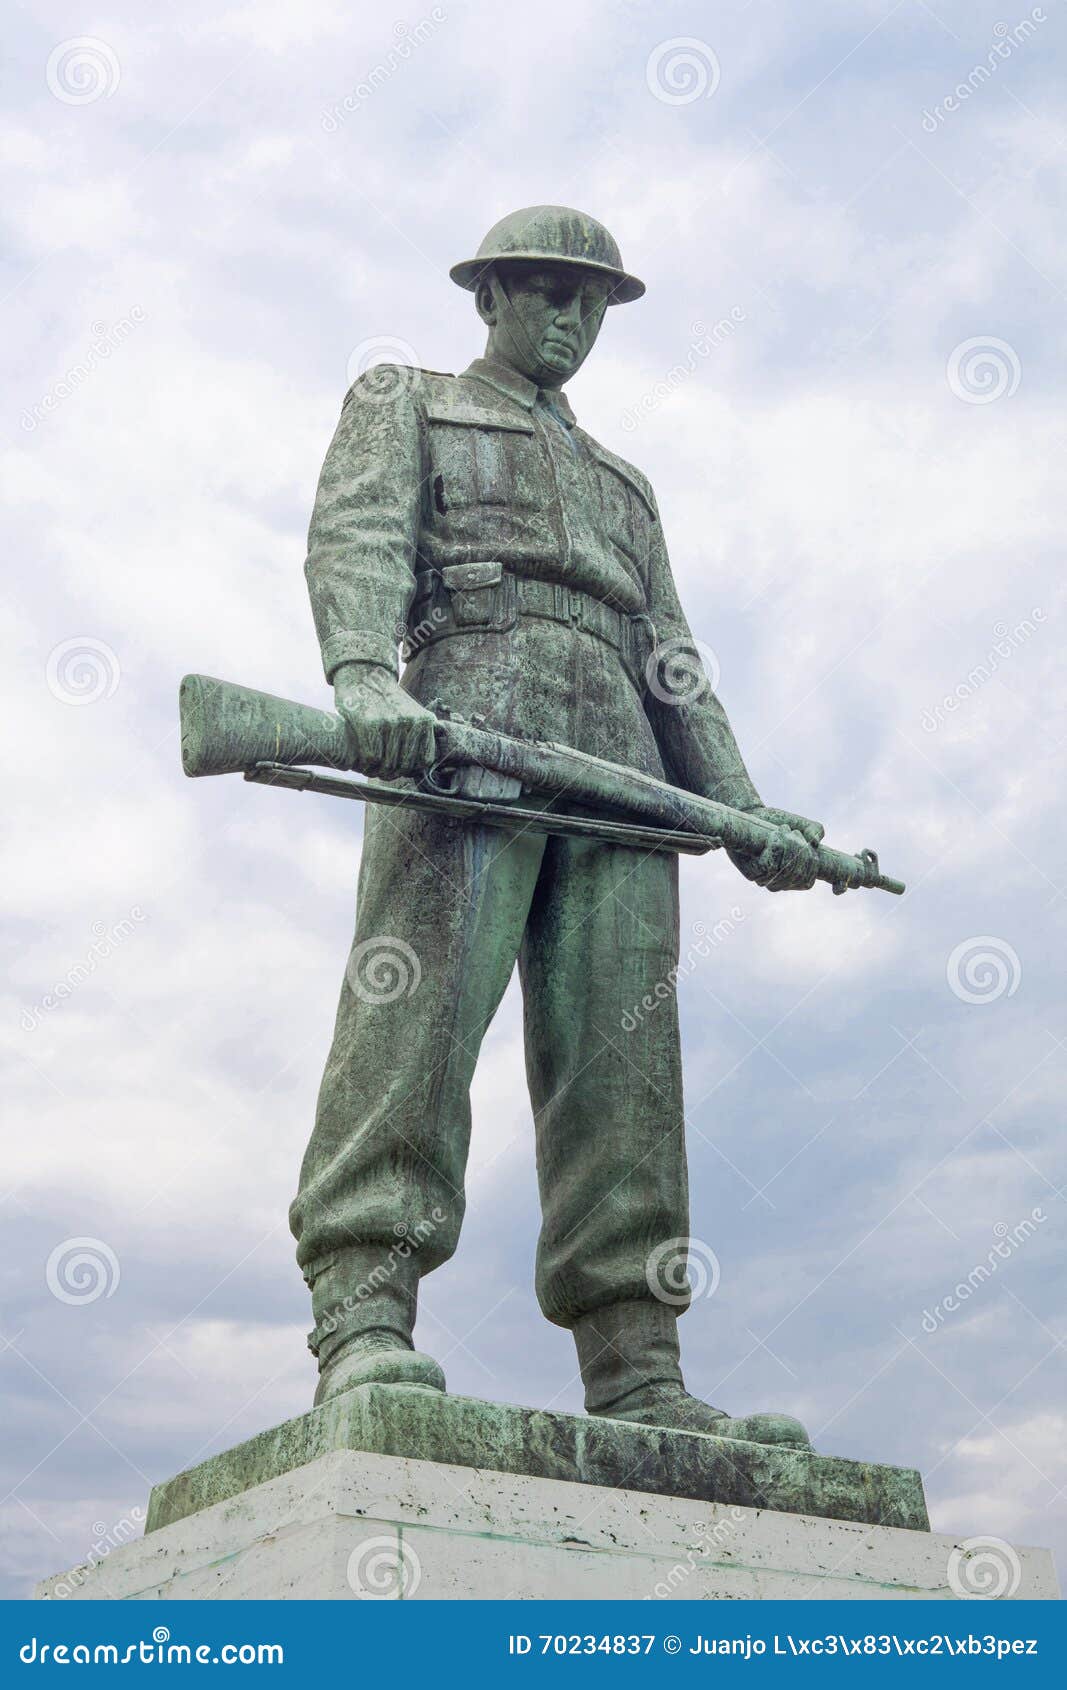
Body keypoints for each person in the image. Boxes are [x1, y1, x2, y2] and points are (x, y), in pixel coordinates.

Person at [289, 206, 823, 1448]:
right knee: (414, 1023)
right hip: (464, 726)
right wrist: (363, 672)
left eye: (592, 301)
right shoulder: (410, 400)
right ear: (489, 297)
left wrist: (740, 806)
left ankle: (637, 1363)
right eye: (547, 291)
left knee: (623, 1072)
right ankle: (362, 1314)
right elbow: (358, 534)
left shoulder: (624, 486)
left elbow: (671, 655)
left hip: (621, 768)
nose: (572, 319)